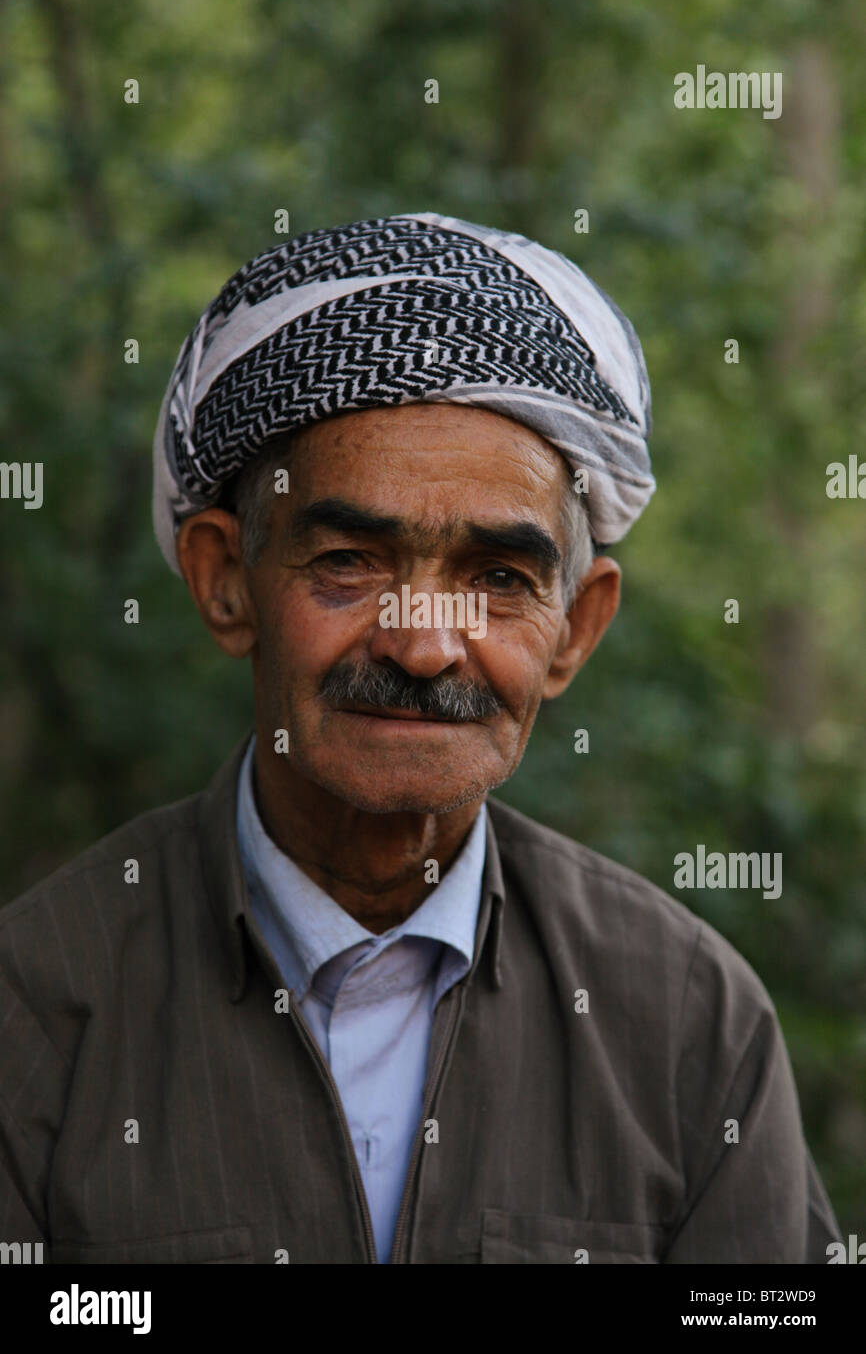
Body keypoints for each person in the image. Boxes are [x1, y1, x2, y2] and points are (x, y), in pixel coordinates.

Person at [0, 214, 840, 1264]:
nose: (425, 645)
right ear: (224, 581)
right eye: (349, 561)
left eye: (498, 579)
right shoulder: (35, 1005)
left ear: (573, 629)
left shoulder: (685, 1023)